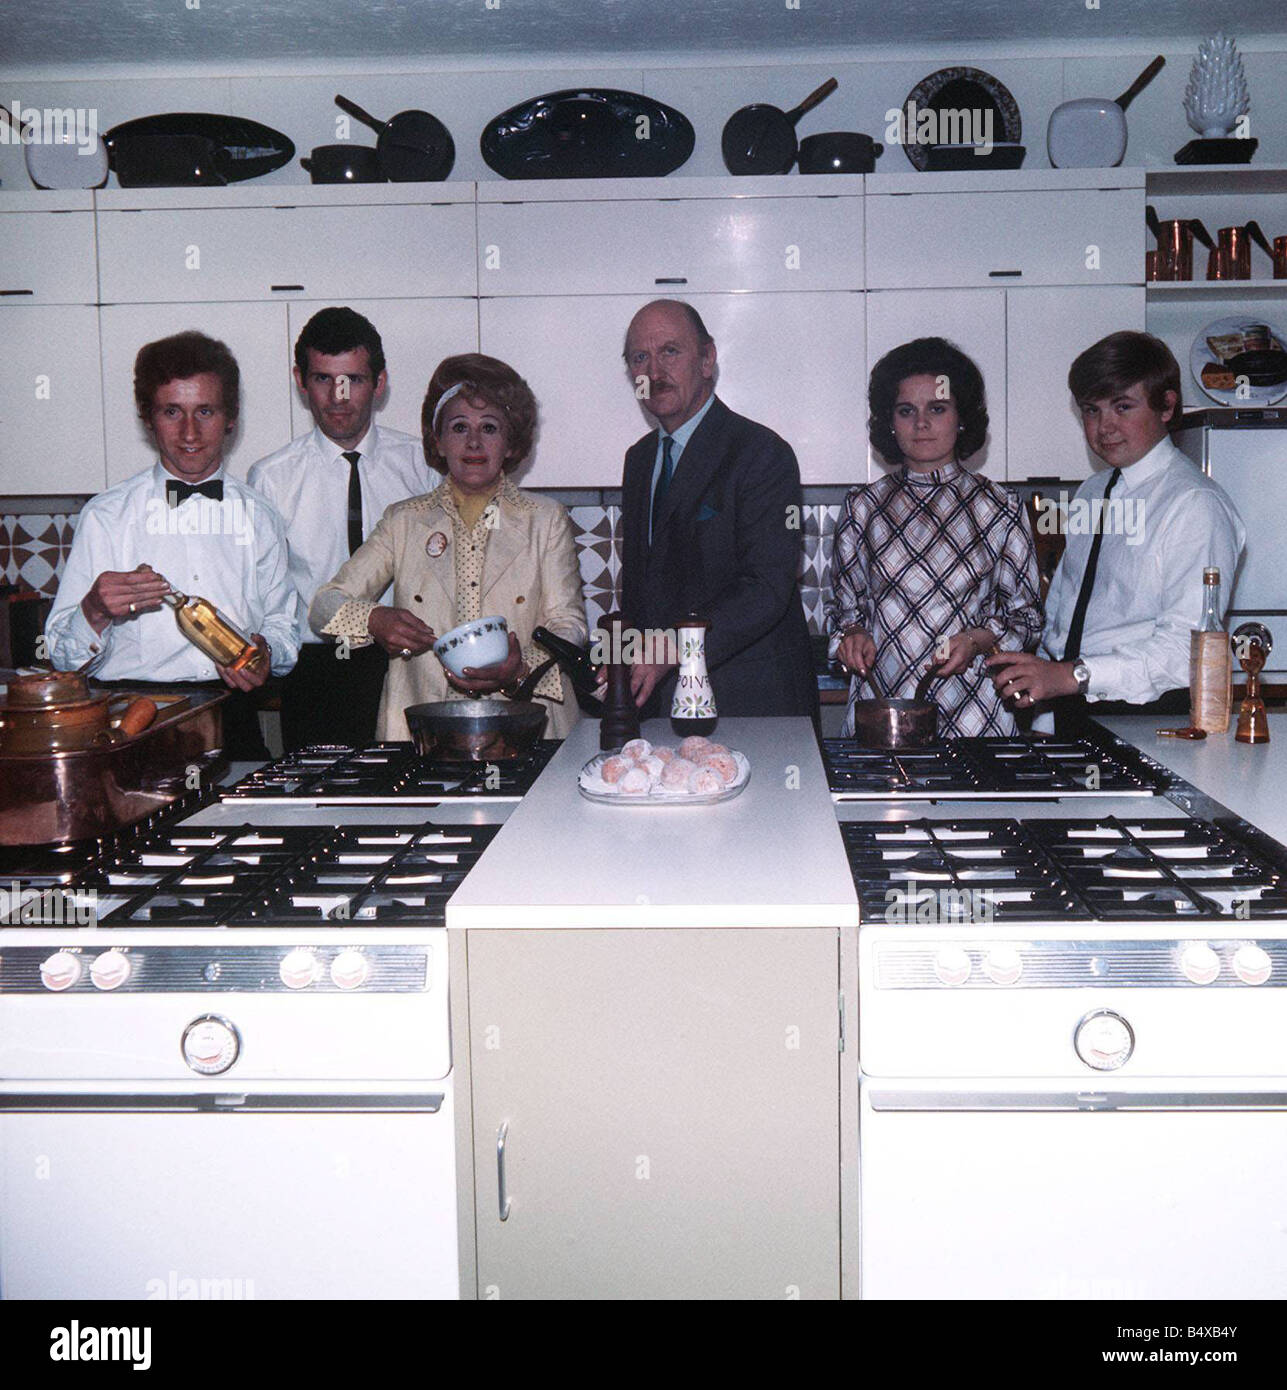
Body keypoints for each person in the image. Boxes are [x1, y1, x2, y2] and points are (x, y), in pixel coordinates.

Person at [44, 331, 299, 759]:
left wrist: (267, 653)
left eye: (205, 411)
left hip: (232, 717)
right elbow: (61, 660)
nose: (189, 432)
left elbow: (283, 623)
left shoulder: (260, 515)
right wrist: (94, 611)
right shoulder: (106, 517)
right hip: (131, 724)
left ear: (231, 417)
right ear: (148, 419)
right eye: (171, 412)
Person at [309, 353, 588, 740]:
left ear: (511, 443)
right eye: (459, 427)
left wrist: (521, 666)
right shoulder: (403, 521)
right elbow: (324, 606)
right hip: (423, 730)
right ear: (438, 441)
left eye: (489, 427)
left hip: (528, 723)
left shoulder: (546, 519)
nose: (473, 441)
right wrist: (374, 620)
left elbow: (569, 626)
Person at [987, 331, 1245, 731]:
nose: (1104, 427)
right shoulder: (1094, 490)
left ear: (1166, 406)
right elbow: (1064, 606)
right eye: (1092, 411)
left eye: (1122, 407)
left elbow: (1186, 653)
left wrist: (1072, 677)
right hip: (1070, 708)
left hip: (1146, 715)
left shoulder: (1195, 505)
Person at [828, 337, 1042, 737]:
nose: (921, 424)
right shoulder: (863, 507)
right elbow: (844, 612)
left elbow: (1027, 617)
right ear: (889, 422)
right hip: (882, 715)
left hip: (978, 714)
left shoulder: (1000, 507)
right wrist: (852, 637)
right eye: (906, 411)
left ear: (962, 418)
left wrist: (976, 640)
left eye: (937, 409)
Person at [618, 299, 817, 720]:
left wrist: (671, 648)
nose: (654, 372)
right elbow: (641, 587)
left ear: (707, 360)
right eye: (640, 357)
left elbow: (766, 587)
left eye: (670, 351)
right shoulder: (638, 461)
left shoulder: (763, 453)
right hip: (662, 703)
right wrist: (623, 660)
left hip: (751, 702)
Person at [248, 307, 429, 750]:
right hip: (314, 673)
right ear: (300, 381)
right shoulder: (270, 478)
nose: (338, 396)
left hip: (405, 664)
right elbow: (263, 595)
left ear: (380, 383)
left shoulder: (423, 464)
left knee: (413, 799)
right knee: (318, 806)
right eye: (323, 379)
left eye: (354, 379)